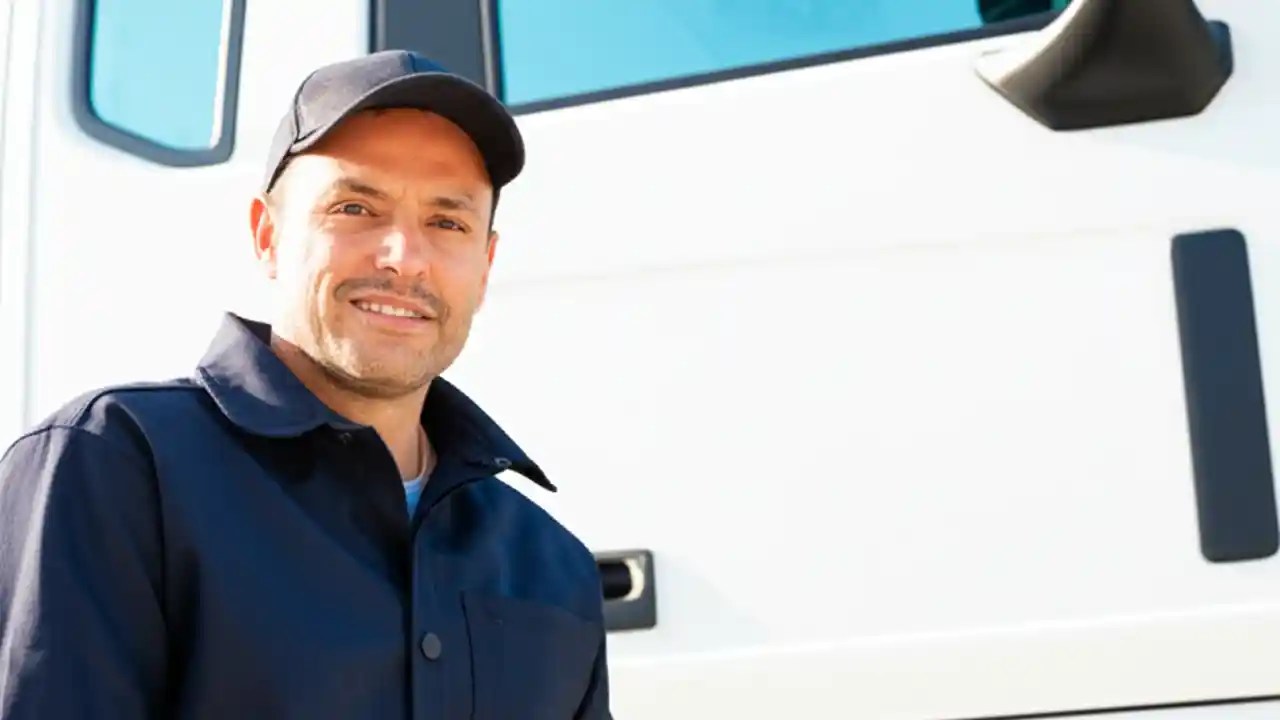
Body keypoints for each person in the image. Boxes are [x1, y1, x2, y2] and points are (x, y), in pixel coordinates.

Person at [0, 50, 611, 719]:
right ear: (268, 236)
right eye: (355, 207)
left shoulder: (555, 567)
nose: (404, 259)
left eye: (447, 222)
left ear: (485, 264)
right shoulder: (115, 465)